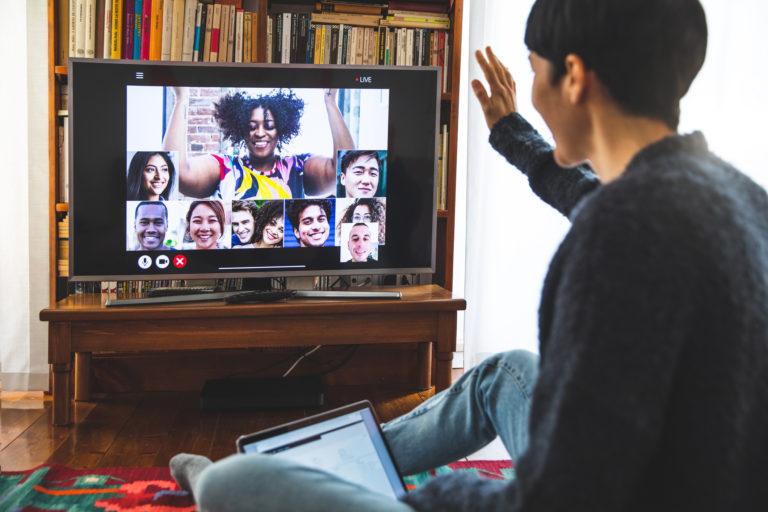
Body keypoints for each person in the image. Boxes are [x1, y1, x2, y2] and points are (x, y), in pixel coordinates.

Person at [169, 1, 768, 511]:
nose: (531, 90)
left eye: (535, 70)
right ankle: (346, 462)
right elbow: (591, 196)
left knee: (233, 482)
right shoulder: (730, 194)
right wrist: (511, 129)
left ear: (576, 77)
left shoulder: (620, 235)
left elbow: (564, 499)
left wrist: (439, 496)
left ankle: (260, 482)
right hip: (698, 480)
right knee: (504, 373)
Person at [164, 87, 354, 200]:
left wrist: (330, 101)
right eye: (252, 126)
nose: (260, 133)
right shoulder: (225, 167)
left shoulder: (297, 167)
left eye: (269, 126)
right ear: (240, 130)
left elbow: (345, 171)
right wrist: (181, 100)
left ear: (281, 129)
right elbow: (176, 174)